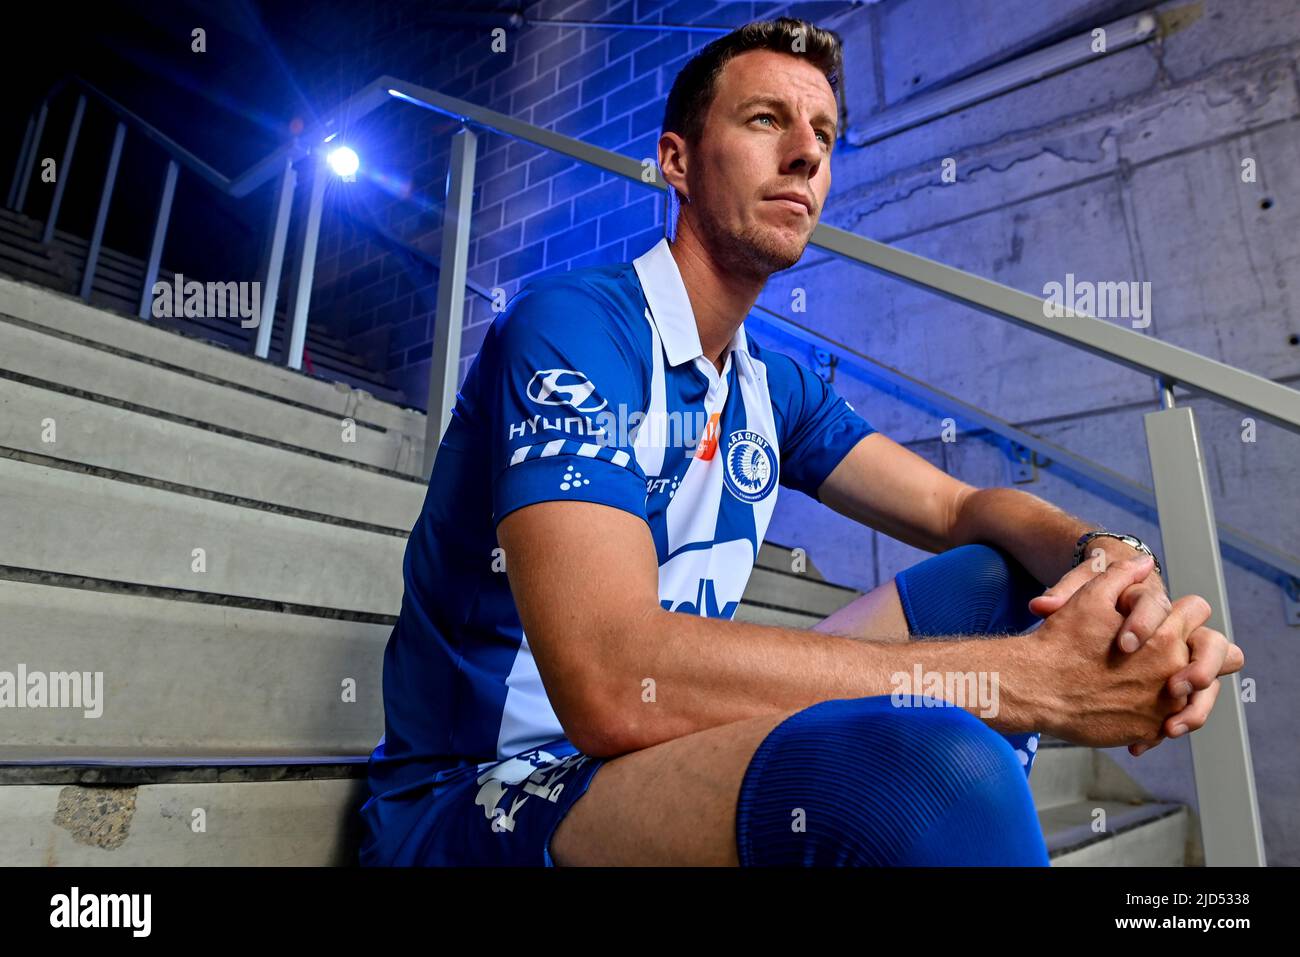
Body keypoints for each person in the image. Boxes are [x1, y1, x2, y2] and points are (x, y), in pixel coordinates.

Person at [358, 17, 1243, 867]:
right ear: (677, 162)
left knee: (1002, 579)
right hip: (485, 791)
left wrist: (1114, 569)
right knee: (924, 769)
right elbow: (612, 679)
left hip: (655, 749)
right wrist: (1035, 682)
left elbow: (960, 507)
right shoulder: (574, 328)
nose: (808, 152)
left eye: (823, 132)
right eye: (765, 120)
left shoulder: (769, 383)